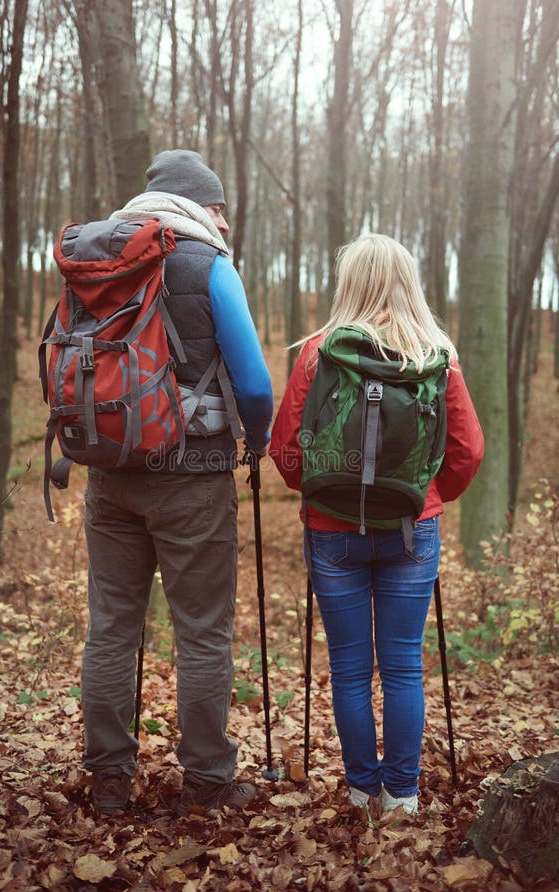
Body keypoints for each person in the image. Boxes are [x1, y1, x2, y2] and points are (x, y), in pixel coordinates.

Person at [82, 149, 273, 815]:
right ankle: (208, 780)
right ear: (208, 208)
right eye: (220, 211)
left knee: (111, 626)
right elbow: (251, 379)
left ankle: (108, 778)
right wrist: (261, 437)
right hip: (193, 478)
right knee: (200, 630)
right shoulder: (208, 264)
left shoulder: (100, 255)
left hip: (109, 471)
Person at [269, 234, 483, 814]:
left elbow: (287, 448)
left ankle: (362, 788)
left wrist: (317, 490)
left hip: (332, 533)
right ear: (408, 282)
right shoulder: (437, 353)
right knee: (403, 666)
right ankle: (403, 795)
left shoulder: (318, 351)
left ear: (351, 283)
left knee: (350, 669)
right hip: (413, 533)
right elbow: (468, 451)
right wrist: (428, 497)